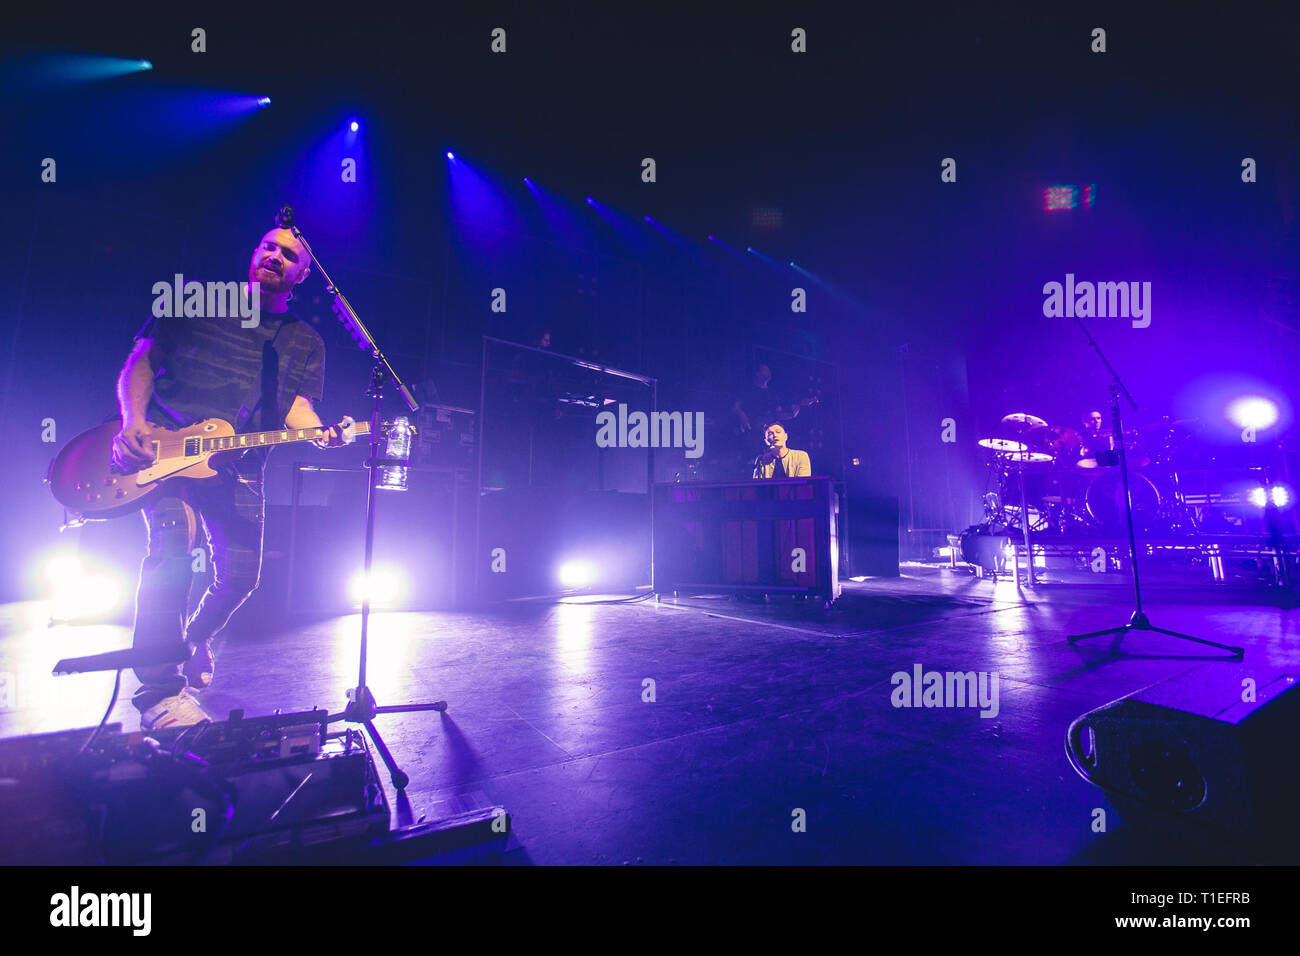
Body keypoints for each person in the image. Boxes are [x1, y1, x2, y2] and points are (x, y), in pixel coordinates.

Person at [111, 225, 355, 730]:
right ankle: (158, 692)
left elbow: (298, 410)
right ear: (254, 251)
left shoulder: (304, 342)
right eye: (268, 246)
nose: (274, 257)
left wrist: (324, 434)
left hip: (241, 467)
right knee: (172, 548)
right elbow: (141, 360)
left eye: (288, 255)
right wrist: (131, 421)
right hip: (167, 453)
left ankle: (192, 640)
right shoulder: (193, 303)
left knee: (242, 577)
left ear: (303, 275)